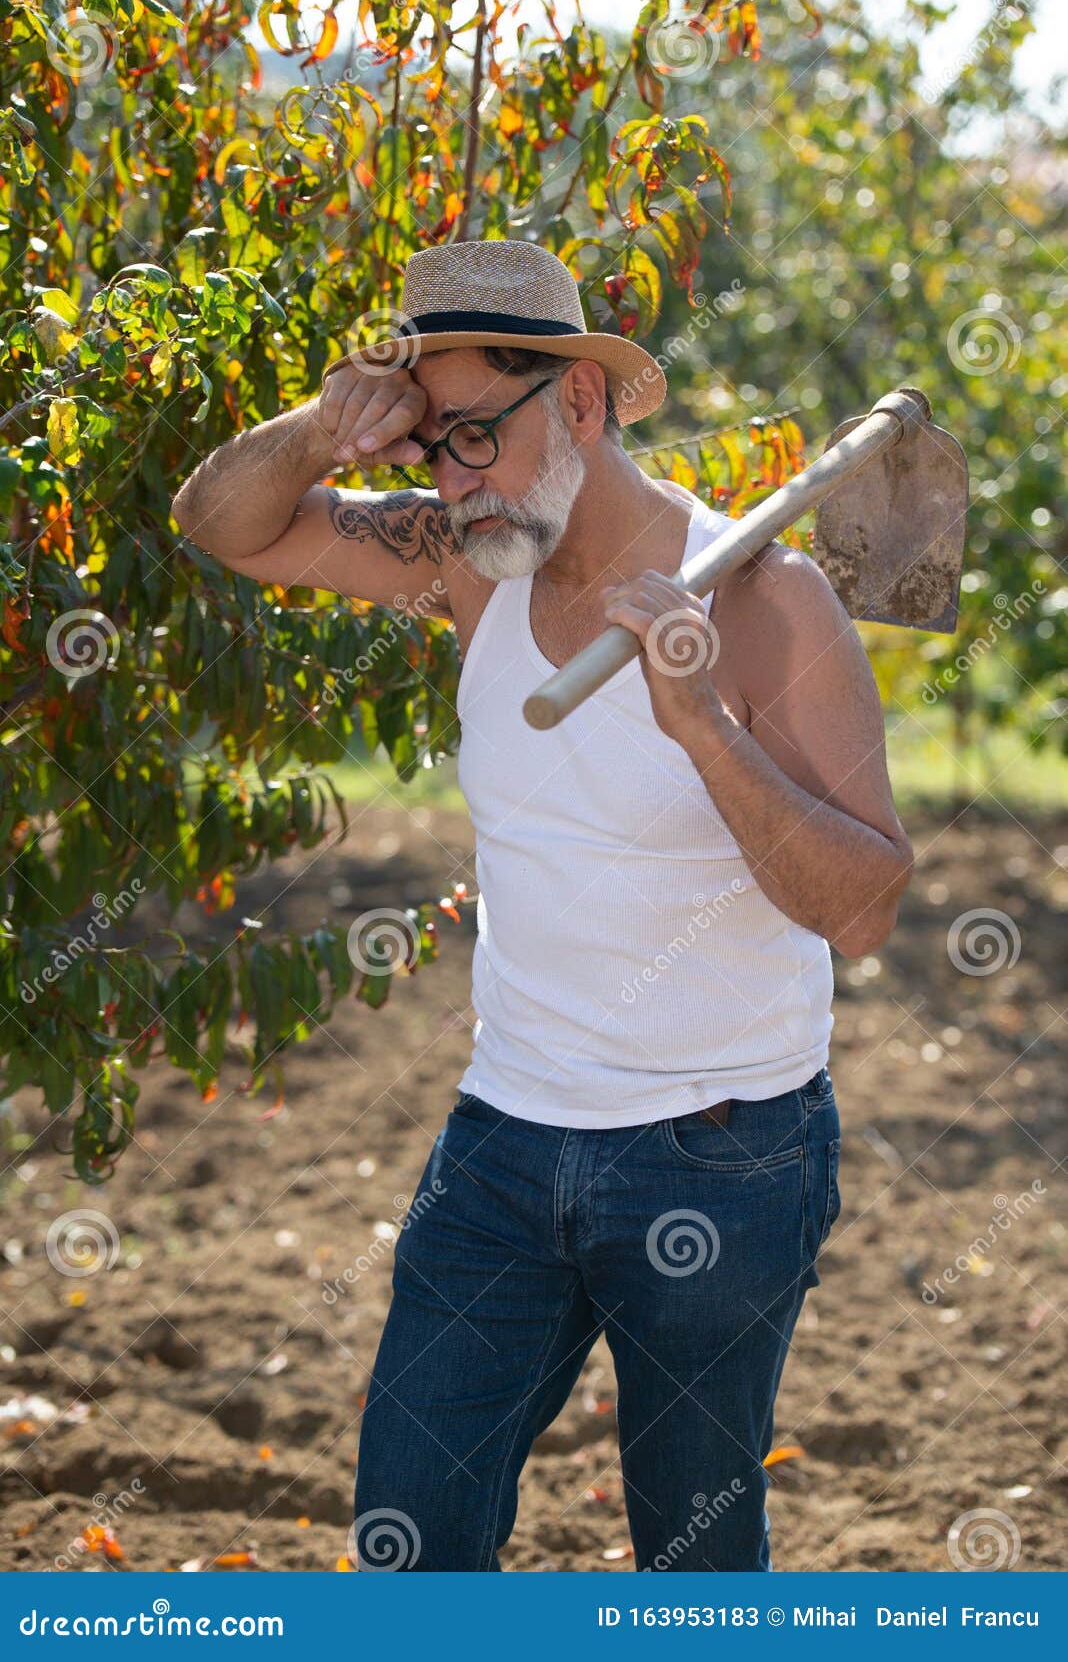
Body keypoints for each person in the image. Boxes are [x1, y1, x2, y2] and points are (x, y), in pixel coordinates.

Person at [172, 238, 913, 1572]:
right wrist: (329, 424)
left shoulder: (763, 600)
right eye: (430, 446)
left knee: (691, 1560)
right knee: (410, 1532)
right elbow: (221, 526)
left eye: (471, 436)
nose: (449, 480)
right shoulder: (470, 559)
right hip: (504, 1143)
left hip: (723, 1152)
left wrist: (702, 728)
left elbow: (863, 907)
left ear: (577, 401)